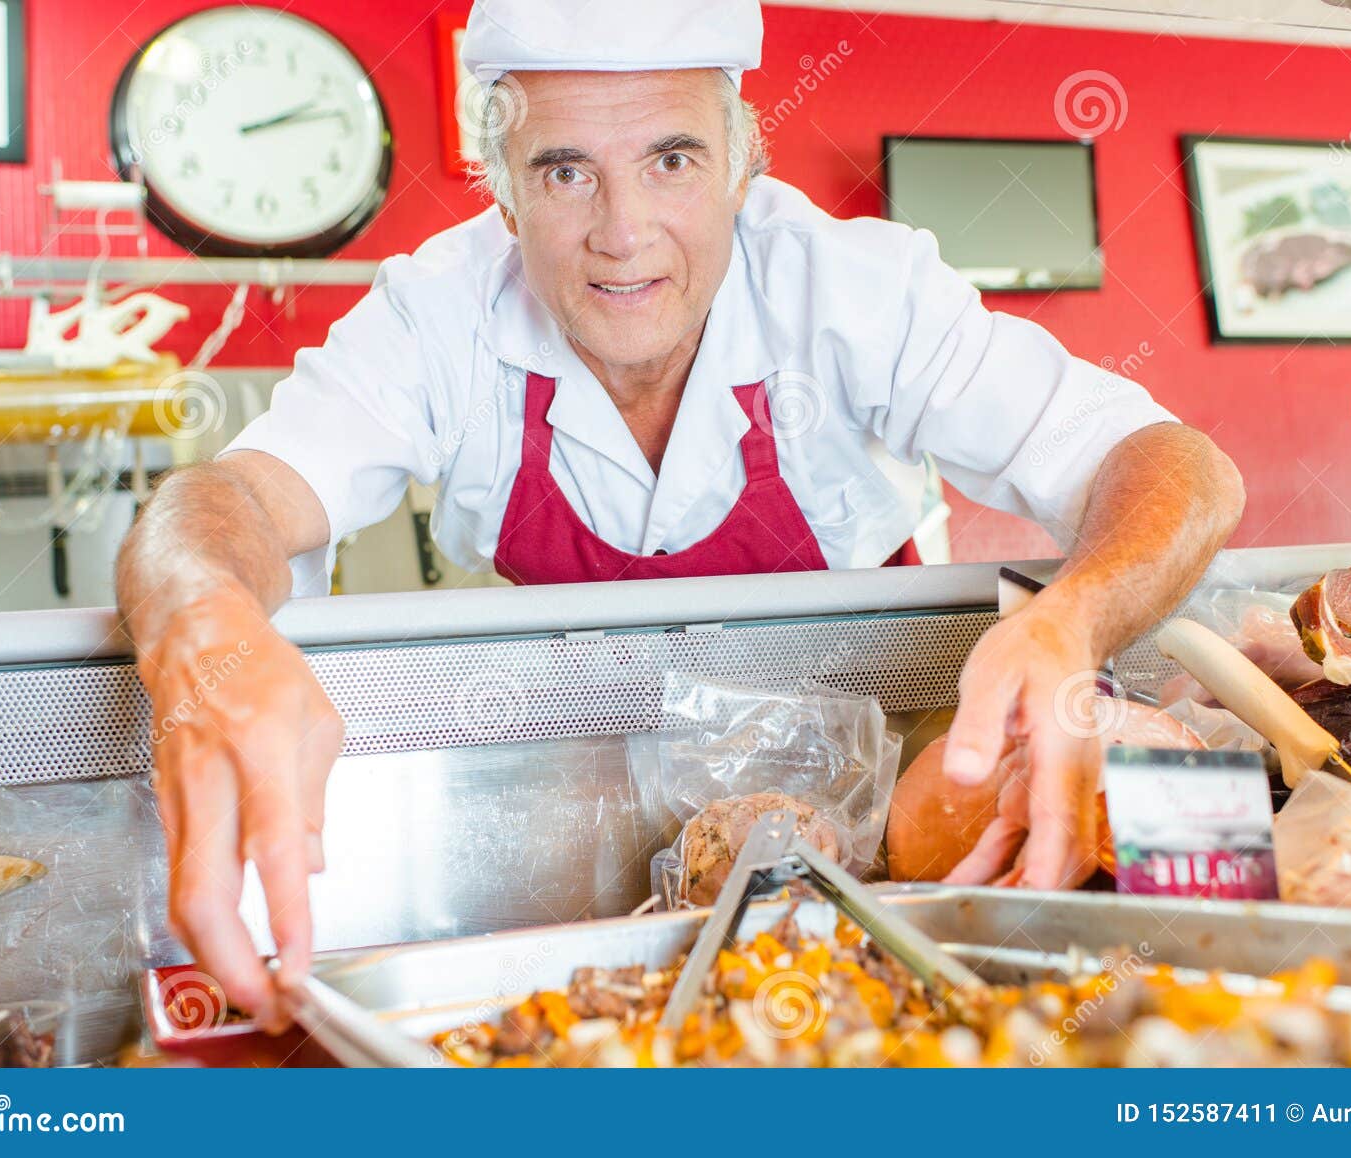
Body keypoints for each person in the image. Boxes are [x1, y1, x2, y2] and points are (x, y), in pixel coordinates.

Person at [115, 0, 1245, 1028]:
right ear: (499, 183)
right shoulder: (432, 318)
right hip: (576, 791)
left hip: (877, 795)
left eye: (671, 160)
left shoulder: (851, 289)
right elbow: (225, 502)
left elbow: (1171, 464)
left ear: (743, 164)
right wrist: (206, 625)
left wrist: (1072, 619)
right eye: (564, 172)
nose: (624, 231)